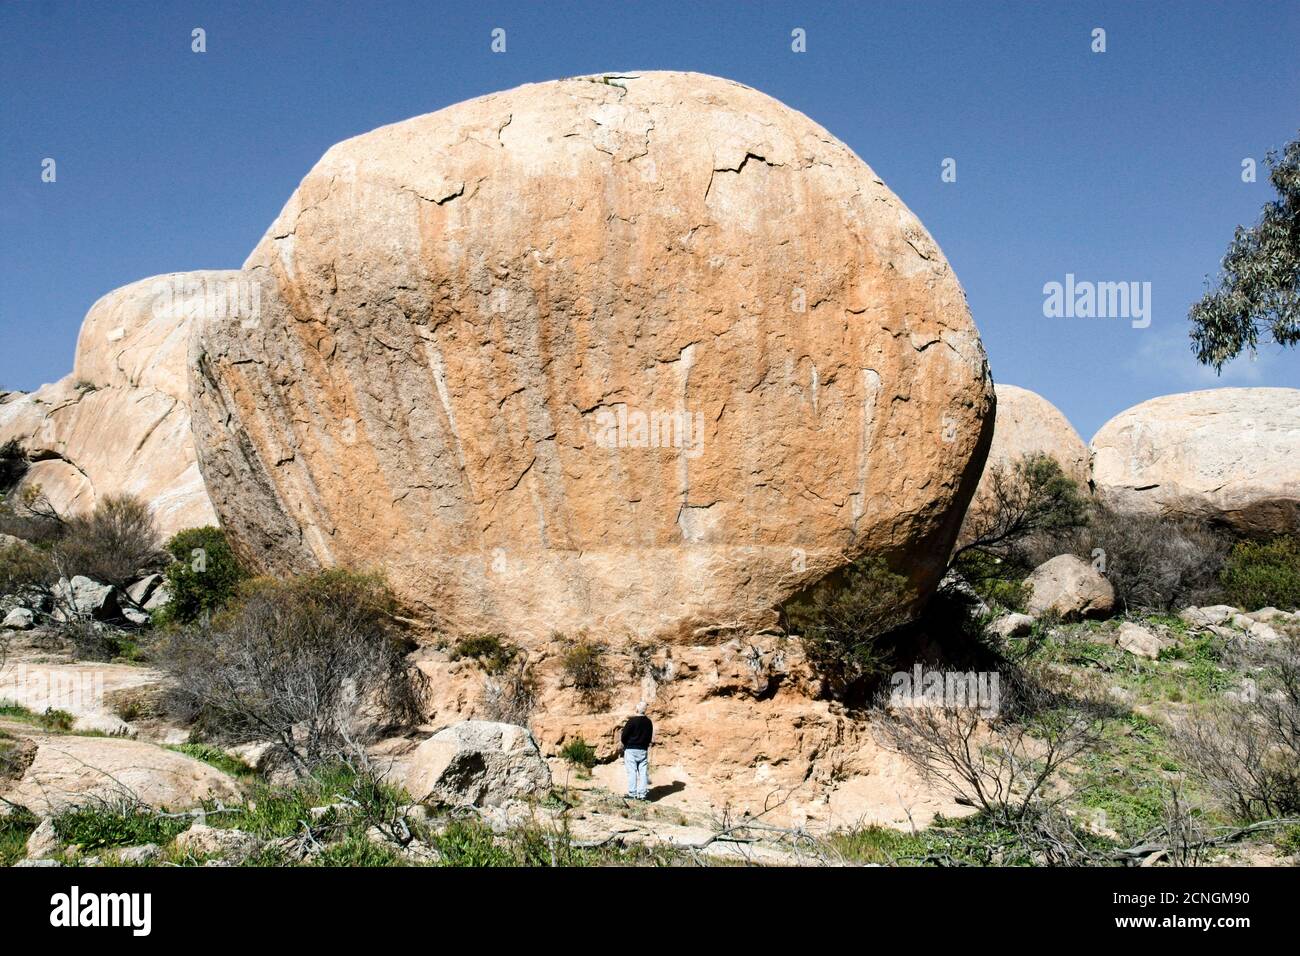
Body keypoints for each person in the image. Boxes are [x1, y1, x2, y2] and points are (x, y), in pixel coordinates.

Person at [620, 701, 653, 800]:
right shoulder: (649, 722)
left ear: (637, 709)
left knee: (632, 771)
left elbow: (624, 736)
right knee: (643, 772)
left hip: (631, 749)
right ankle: (642, 795)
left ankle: (632, 793)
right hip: (643, 749)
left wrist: (626, 744)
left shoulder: (631, 721)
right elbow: (649, 736)